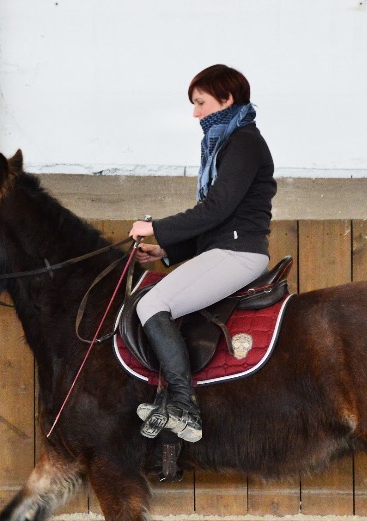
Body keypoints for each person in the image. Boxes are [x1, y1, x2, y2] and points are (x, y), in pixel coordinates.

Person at [129, 64, 276, 443]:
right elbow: (216, 219)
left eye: (200, 103)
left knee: (151, 304)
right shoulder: (227, 142)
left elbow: (217, 208)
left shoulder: (243, 142)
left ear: (226, 99)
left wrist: (156, 226)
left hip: (238, 252)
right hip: (224, 248)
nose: (195, 113)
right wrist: (166, 250)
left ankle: (183, 404)